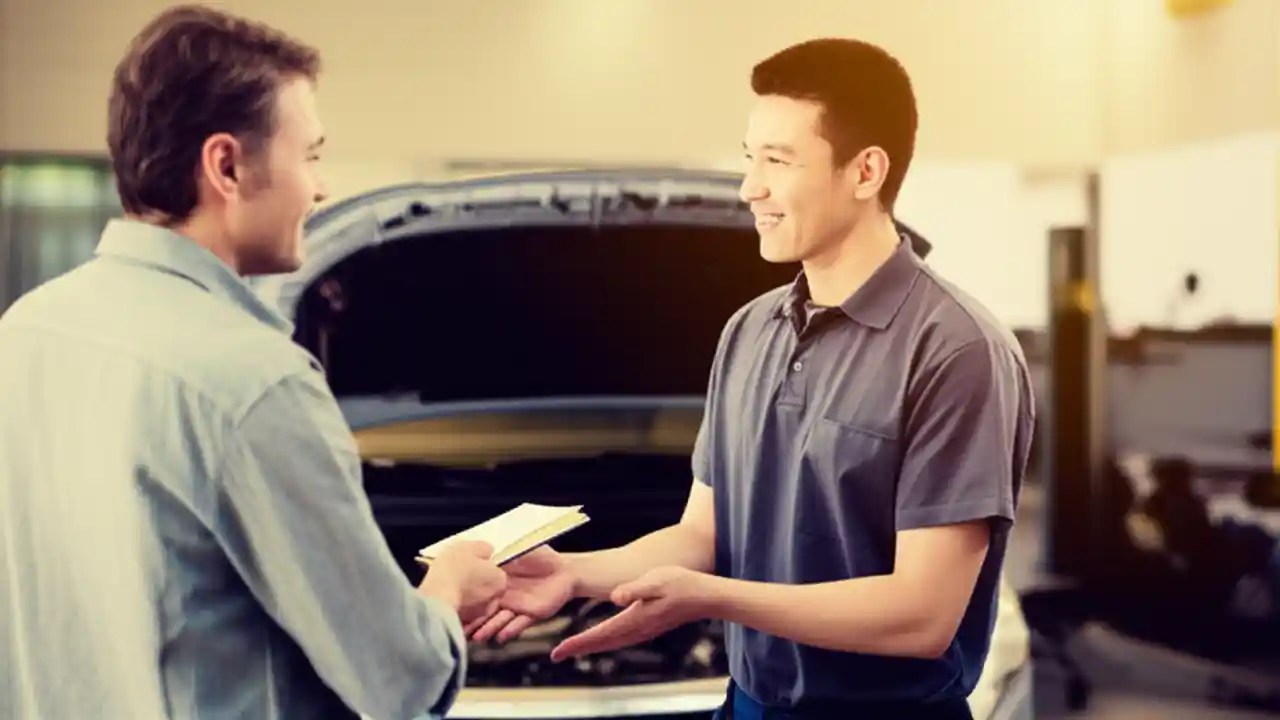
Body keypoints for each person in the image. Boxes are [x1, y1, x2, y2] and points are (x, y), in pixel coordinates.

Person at [470, 38, 1036, 718]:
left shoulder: (956, 351)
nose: (750, 188)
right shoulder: (749, 332)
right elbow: (704, 537)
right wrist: (576, 573)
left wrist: (716, 598)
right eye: (749, 158)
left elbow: (922, 616)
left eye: (778, 160)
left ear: (866, 172)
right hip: (748, 705)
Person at [0, 6, 504, 719]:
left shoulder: (25, 334)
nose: (321, 188)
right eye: (313, 155)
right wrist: (450, 588)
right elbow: (400, 677)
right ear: (227, 166)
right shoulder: (256, 383)